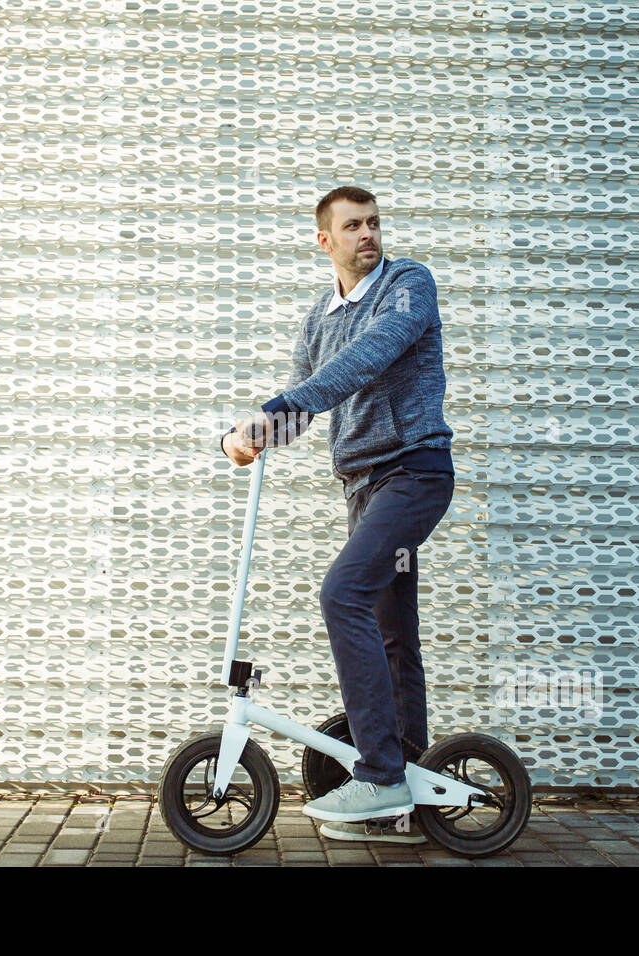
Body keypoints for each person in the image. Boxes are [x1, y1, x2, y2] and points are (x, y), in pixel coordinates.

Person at [220, 186, 456, 844]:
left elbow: (363, 361)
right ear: (325, 240)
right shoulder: (319, 317)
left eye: (374, 223)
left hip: (414, 472)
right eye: (352, 226)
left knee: (342, 593)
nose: (368, 235)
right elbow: (302, 407)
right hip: (364, 486)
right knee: (391, 634)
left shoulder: (409, 285)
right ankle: (403, 789)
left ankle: (380, 772)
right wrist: (247, 437)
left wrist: (274, 408)